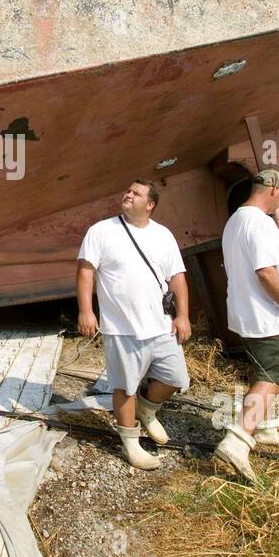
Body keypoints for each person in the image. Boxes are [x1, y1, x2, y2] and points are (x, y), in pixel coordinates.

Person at [76, 180, 192, 469]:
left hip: (161, 325)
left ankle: (148, 409)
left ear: (150, 205)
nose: (127, 194)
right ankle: (131, 443)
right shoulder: (101, 231)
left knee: (175, 378)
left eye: (135, 193)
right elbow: (86, 271)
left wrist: (183, 316)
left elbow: (177, 277)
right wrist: (86, 311)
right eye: (127, 191)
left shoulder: (164, 235)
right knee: (124, 387)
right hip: (122, 328)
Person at [214, 168, 279, 482]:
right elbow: (266, 272)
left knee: (259, 370)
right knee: (275, 374)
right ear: (273, 190)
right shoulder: (260, 224)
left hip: (243, 312)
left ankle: (264, 428)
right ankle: (237, 440)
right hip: (266, 316)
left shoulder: (235, 221)